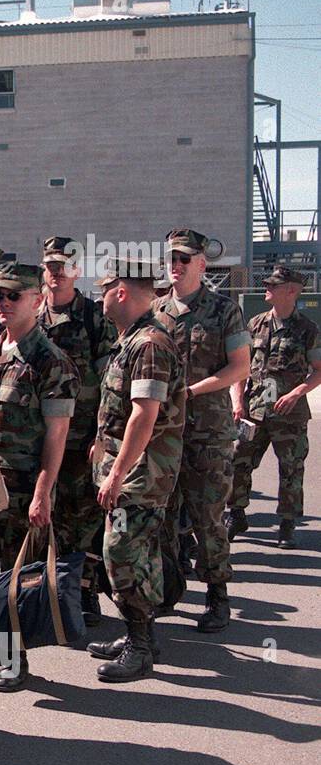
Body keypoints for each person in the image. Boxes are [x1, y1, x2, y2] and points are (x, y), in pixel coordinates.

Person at [0, 261, 78, 690]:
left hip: (21, 488)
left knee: (14, 577)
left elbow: (57, 436)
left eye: (14, 296)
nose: (4, 303)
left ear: (37, 299)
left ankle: (15, 657)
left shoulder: (51, 361)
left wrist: (42, 493)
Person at [87, 257, 186, 681]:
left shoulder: (148, 345)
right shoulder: (129, 340)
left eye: (104, 290)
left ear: (121, 291)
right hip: (130, 469)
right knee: (135, 554)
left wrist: (116, 474)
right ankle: (138, 637)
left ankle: (141, 647)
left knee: (122, 554)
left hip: (141, 475)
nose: (101, 299)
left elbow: (143, 416)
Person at [152, 228, 250, 632]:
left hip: (207, 432)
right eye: (171, 258)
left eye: (184, 259)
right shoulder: (155, 310)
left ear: (202, 264)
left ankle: (217, 596)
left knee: (208, 516)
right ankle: (169, 590)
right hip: (163, 434)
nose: (176, 266)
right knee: (162, 517)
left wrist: (190, 391)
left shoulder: (223, 310)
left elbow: (240, 367)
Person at [38, 236, 116, 625]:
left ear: (77, 271)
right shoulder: (33, 316)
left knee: (85, 519)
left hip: (83, 437)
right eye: (51, 266)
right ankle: (48, 593)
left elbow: (110, 383)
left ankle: (86, 593)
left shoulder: (93, 318)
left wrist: (101, 435)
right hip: (41, 437)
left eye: (65, 266)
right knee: (45, 517)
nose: (57, 273)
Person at [226, 265, 321, 548]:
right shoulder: (255, 324)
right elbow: (241, 367)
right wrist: (237, 400)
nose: (266, 287)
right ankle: (237, 512)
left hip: (289, 414)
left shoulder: (307, 329)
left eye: (273, 284)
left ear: (291, 290)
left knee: (290, 469)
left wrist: (297, 393)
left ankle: (287, 524)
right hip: (254, 412)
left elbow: (318, 369)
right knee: (238, 462)